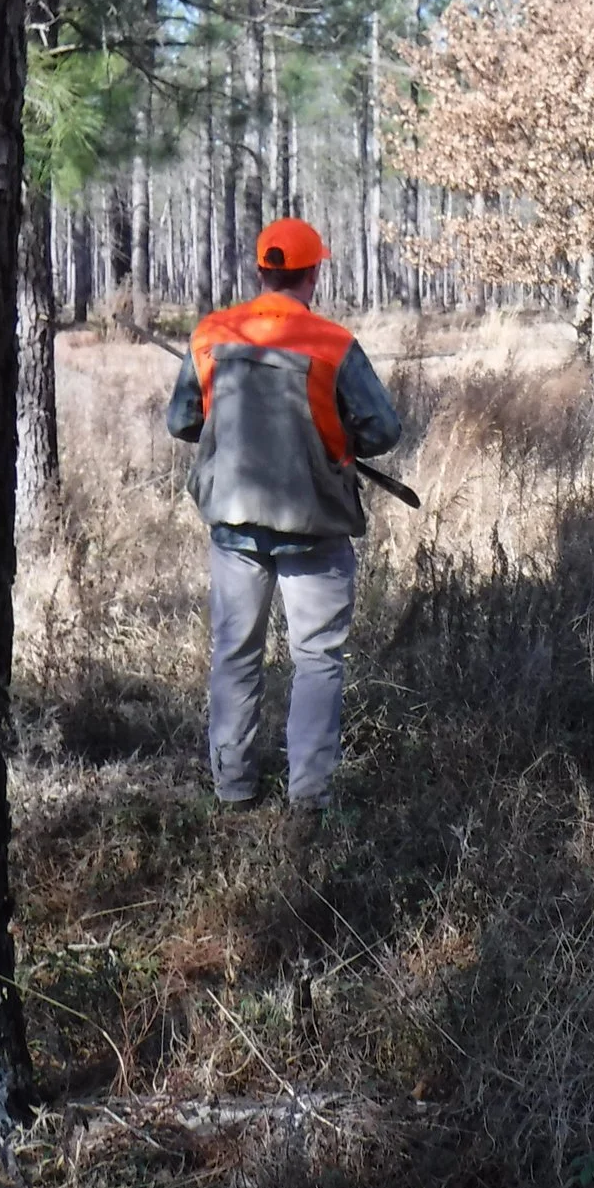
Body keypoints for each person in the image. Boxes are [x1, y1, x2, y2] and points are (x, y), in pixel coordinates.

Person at [165, 219, 403, 831]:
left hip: (235, 526)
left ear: (260, 270)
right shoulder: (332, 343)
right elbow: (383, 430)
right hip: (314, 525)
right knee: (317, 659)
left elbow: (183, 422)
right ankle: (308, 801)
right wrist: (325, 438)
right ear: (314, 273)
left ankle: (233, 789)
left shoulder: (212, 334)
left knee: (235, 655)